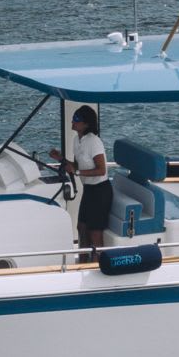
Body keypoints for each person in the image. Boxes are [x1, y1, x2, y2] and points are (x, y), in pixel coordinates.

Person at [53, 106, 111, 259]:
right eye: (74, 118)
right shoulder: (76, 140)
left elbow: (101, 170)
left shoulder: (94, 141)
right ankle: (83, 262)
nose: (73, 121)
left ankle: (98, 265)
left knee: (95, 232)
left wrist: (77, 172)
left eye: (77, 119)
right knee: (81, 227)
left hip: (101, 191)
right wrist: (60, 159)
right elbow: (77, 165)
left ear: (86, 124)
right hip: (89, 190)